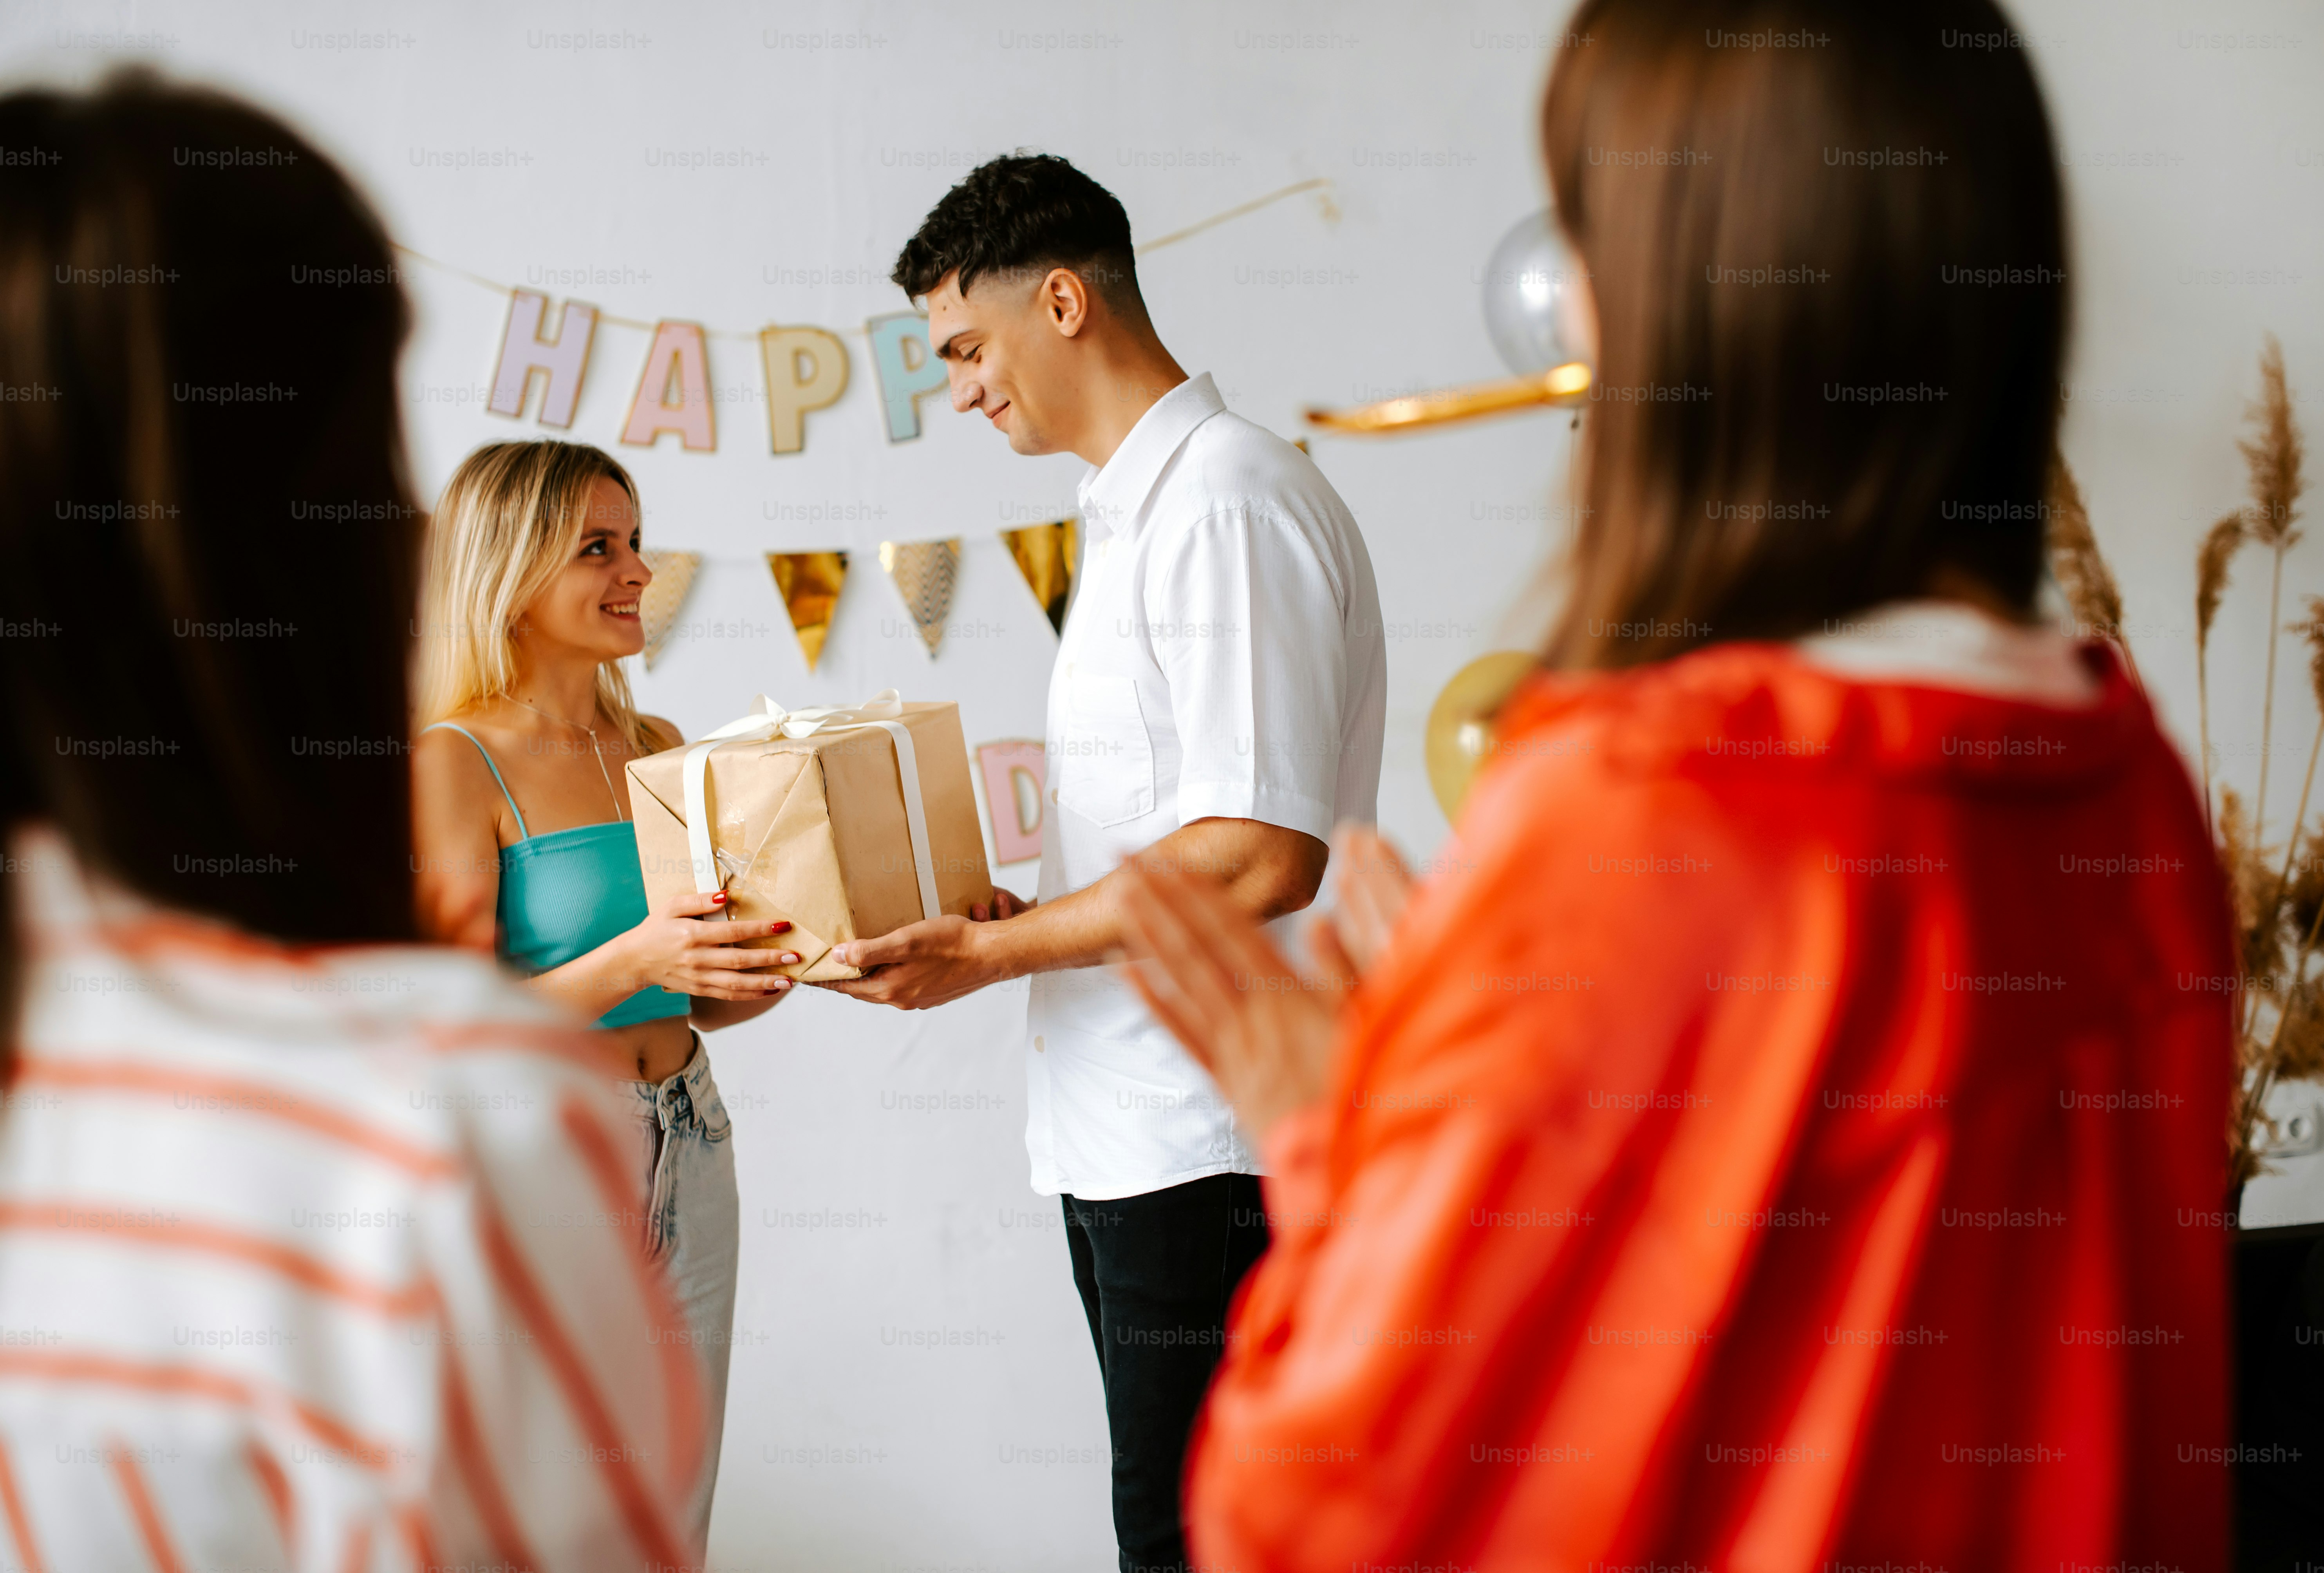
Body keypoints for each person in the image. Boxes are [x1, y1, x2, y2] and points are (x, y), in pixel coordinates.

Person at [1111, 0, 2234, 1568]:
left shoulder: (1643, 803)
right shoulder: (2133, 789)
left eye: (1584, 217)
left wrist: (1330, 1140)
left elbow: (1314, 1512)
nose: (1559, 284)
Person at [0, 74, 702, 1563]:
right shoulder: (422, 1130)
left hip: (683, 1134)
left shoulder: (660, 751)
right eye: (372, 457)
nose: (395, 526)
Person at [836, 154, 1386, 1572]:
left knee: (1195, 1541)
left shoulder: (1224, 502)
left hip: (1207, 1143)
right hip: (1133, 1129)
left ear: (1064, 301)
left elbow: (1264, 856)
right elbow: (1180, 840)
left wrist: (993, 955)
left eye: (966, 347)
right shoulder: (1142, 513)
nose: (960, 389)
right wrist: (1021, 919)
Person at [411, 438, 789, 1548]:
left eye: (636, 542)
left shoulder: (661, 748)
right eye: (597, 549)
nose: (637, 572)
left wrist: (787, 962)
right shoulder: (452, 761)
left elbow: (696, 993)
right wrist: (641, 957)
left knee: (670, 1505)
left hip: (694, 1132)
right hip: (548, 1157)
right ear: (511, 575)